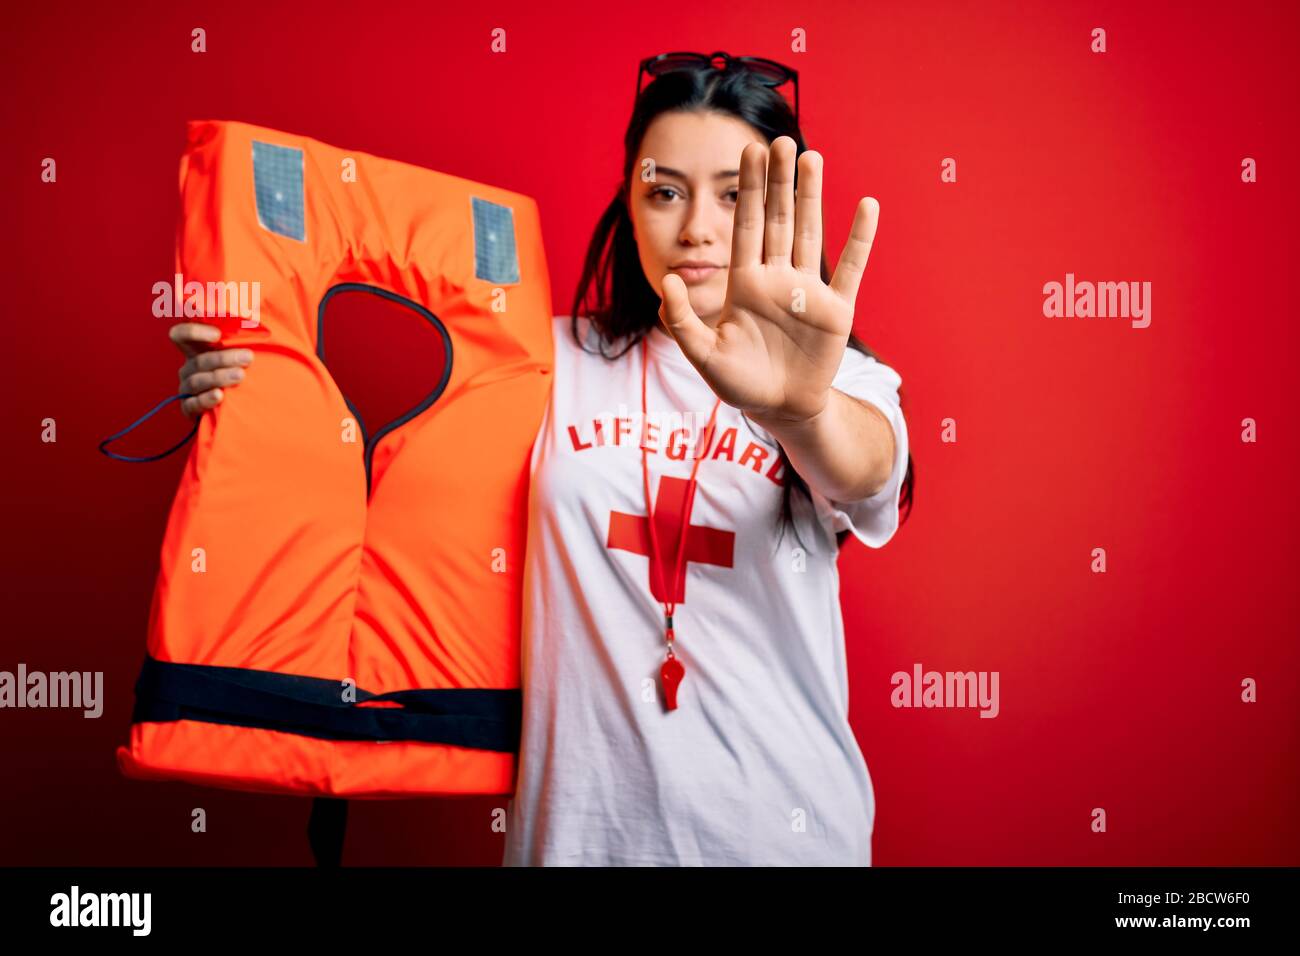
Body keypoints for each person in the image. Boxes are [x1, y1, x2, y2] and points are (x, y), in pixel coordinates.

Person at [169, 51, 915, 866]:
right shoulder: (545, 360)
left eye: (734, 195)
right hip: (575, 842)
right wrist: (255, 384)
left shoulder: (837, 376)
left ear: (777, 207)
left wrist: (800, 408)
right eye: (664, 191)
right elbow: (393, 466)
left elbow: (868, 471)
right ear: (629, 203)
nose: (697, 226)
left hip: (782, 836)